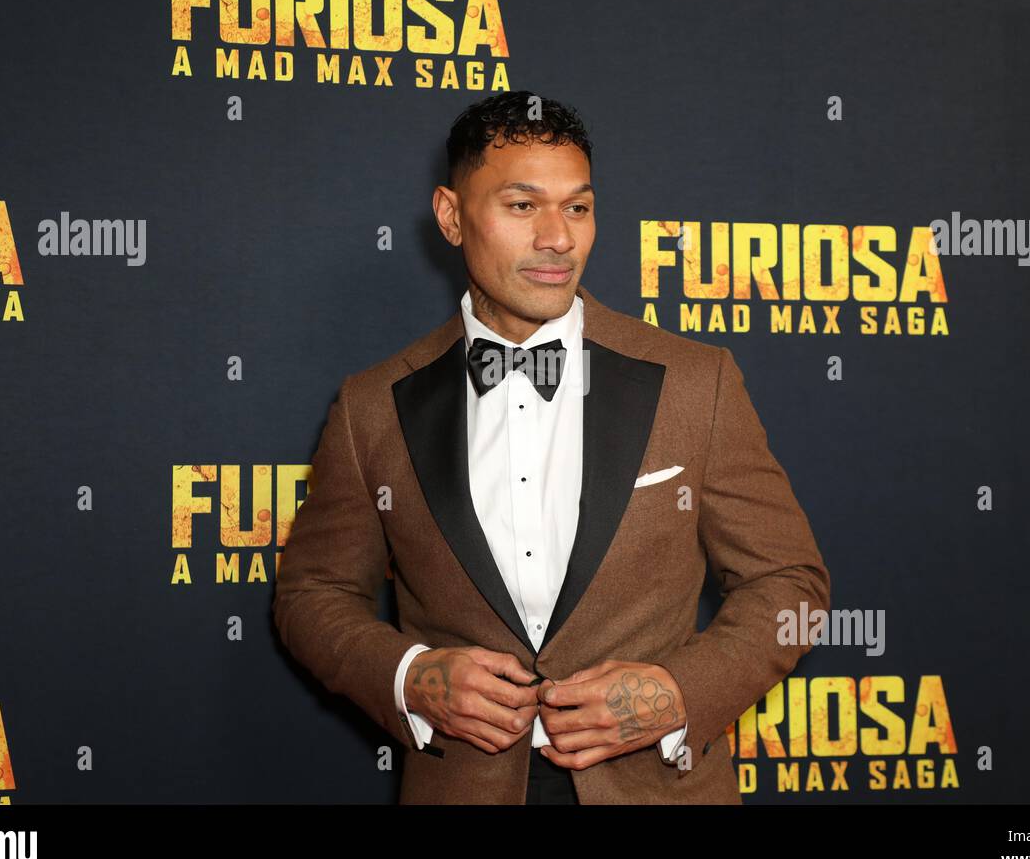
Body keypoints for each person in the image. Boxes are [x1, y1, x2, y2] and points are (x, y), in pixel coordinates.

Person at [272, 90, 831, 804]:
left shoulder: (696, 381)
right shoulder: (371, 406)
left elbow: (793, 588)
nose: (558, 239)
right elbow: (313, 595)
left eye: (578, 207)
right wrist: (410, 675)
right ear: (450, 216)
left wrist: (679, 691)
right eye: (522, 205)